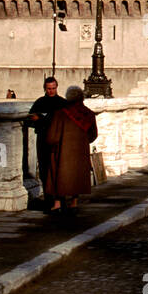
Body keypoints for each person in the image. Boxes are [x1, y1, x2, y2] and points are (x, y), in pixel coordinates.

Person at [44, 84, 98, 213]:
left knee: (58, 173)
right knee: (76, 175)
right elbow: (93, 135)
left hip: (62, 150)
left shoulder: (61, 114)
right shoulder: (89, 114)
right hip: (80, 150)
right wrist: (82, 142)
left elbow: (52, 137)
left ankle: (57, 203)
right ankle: (74, 202)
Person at [27, 76, 66, 197]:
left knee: (58, 169)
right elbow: (30, 119)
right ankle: (48, 198)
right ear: (45, 88)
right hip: (43, 139)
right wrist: (41, 119)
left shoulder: (62, 103)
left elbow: (61, 121)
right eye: (49, 88)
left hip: (58, 140)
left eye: (53, 88)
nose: (51, 91)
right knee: (44, 168)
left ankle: (59, 199)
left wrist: (42, 118)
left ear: (57, 87)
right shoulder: (39, 102)